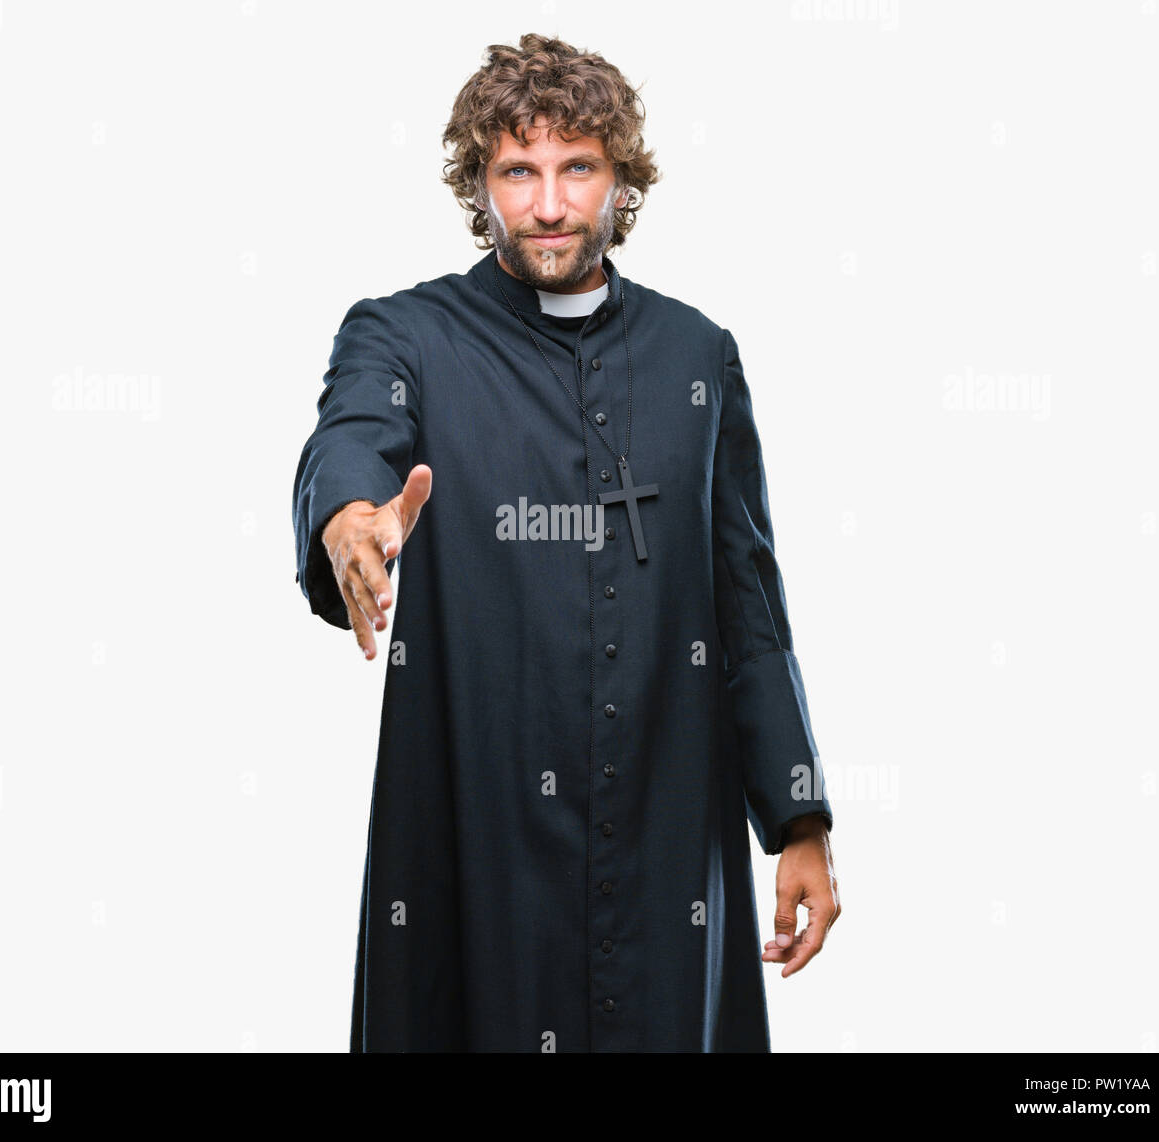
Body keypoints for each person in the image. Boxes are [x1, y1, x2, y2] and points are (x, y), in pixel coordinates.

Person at [292, 32, 840, 1052]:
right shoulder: (405, 336)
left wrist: (798, 815)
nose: (548, 204)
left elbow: (747, 599)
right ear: (480, 184)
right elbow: (353, 437)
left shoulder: (696, 354)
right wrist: (348, 520)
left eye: (576, 167)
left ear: (620, 179)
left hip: (665, 828)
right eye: (518, 171)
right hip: (478, 818)